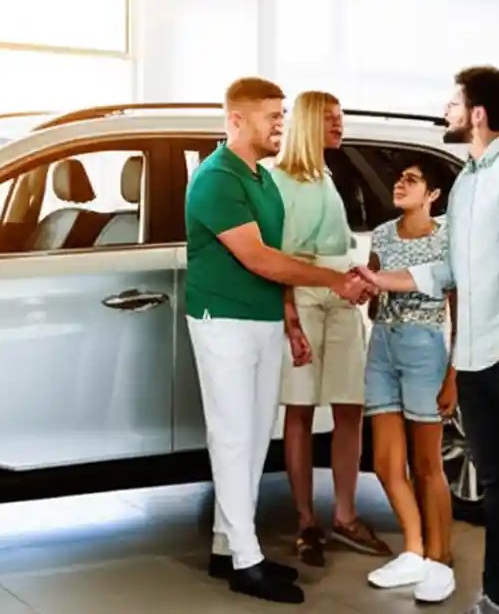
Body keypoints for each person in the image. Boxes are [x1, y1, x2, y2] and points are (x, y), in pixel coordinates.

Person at [353, 66, 499, 614]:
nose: (447, 111)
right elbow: (448, 268)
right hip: (477, 361)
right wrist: (381, 279)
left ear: (478, 113)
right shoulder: (469, 181)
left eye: (454, 103)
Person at [185, 76, 374, 604]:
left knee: (250, 438)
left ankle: (228, 546)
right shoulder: (217, 179)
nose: (280, 125)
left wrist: (290, 317)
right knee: (232, 436)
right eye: (272, 116)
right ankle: (247, 561)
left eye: (283, 114)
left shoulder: (262, 181)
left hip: (264, 318)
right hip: (223, 319)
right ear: (236, 120)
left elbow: (280, 254)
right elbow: (260, 258)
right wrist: (332, 280)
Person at [268, 91, 392, 567]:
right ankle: (305, 522)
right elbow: (278, 259)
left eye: (342, 119)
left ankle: (345, 515)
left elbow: (336, 247)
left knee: (349, 406)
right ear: (308, 125)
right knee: (299, 409)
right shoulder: (278, 181)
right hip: (303, 296)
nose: (341, 127)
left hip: (341, 296)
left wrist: (361, 277)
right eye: (332, 120)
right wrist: (291, 320)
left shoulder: (327, 176)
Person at [362, 155, 458, 603]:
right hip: (381, 344)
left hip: (424, 347)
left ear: (433, 195)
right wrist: (364, 288)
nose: (400, 184)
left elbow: (460, 308)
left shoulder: (447, 241)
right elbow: (374, 297)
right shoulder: (382, 234)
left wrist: (453, 373)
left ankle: (441, 560)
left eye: (412, 180)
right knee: (385, 463)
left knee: (427, 466)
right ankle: (415, 551)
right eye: (399, 178)